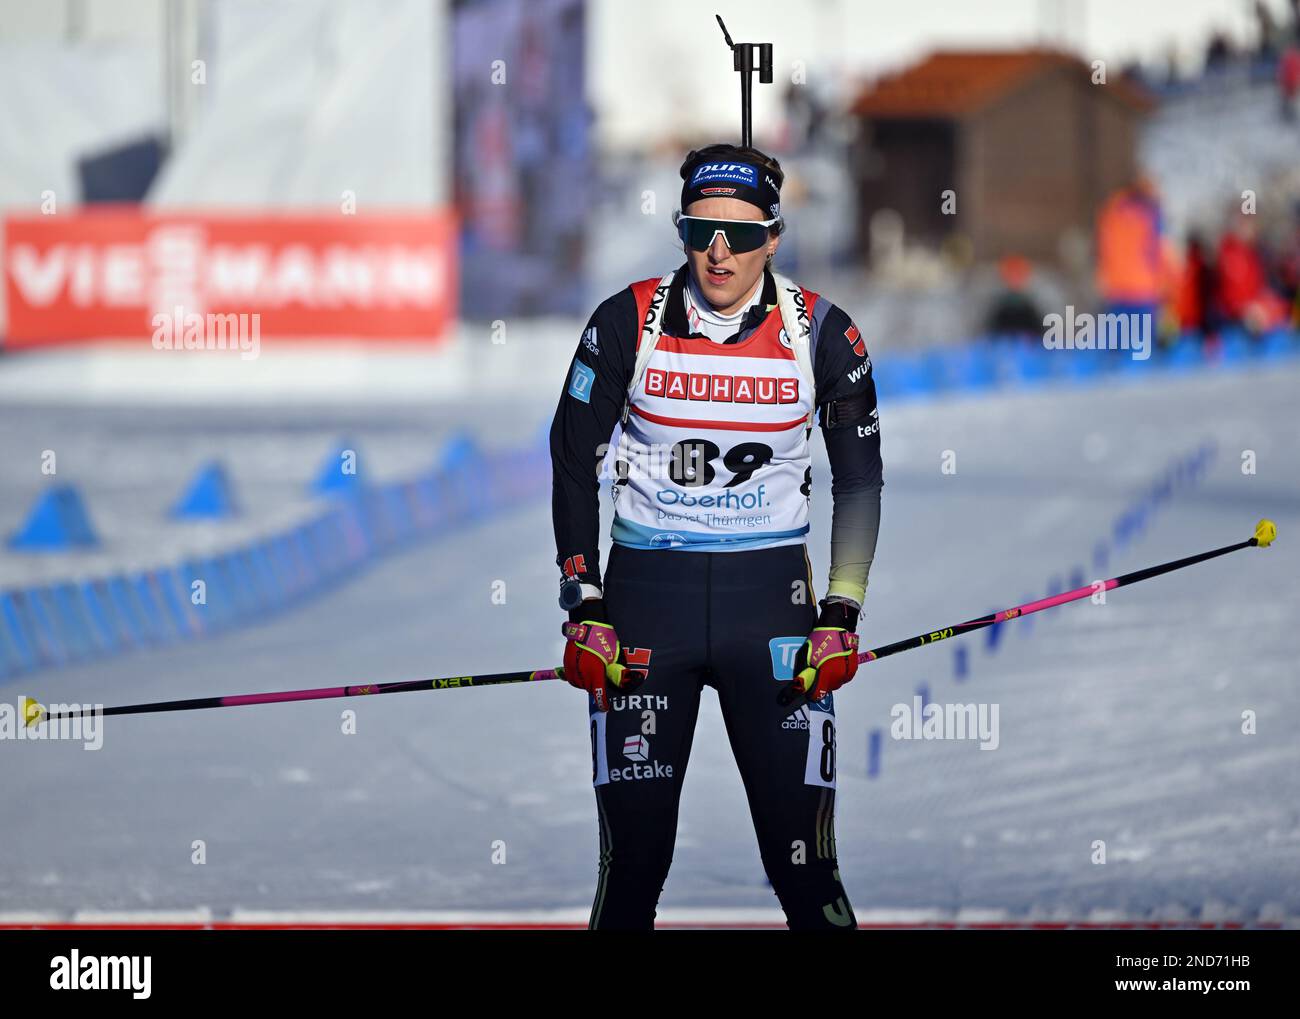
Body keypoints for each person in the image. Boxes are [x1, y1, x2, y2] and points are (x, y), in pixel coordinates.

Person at [549, 143, 883, 930]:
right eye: (700, 232)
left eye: (739, 234)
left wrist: (842, 611)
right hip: (642, 618)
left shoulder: (824, 334)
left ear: (774, 236)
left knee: (808, 868)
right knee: (630, 870)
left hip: (771, 615)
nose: (719, 253)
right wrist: (582, 599)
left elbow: (860, 481)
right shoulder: (625, 320)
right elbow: (572, 457)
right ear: (682, 232)